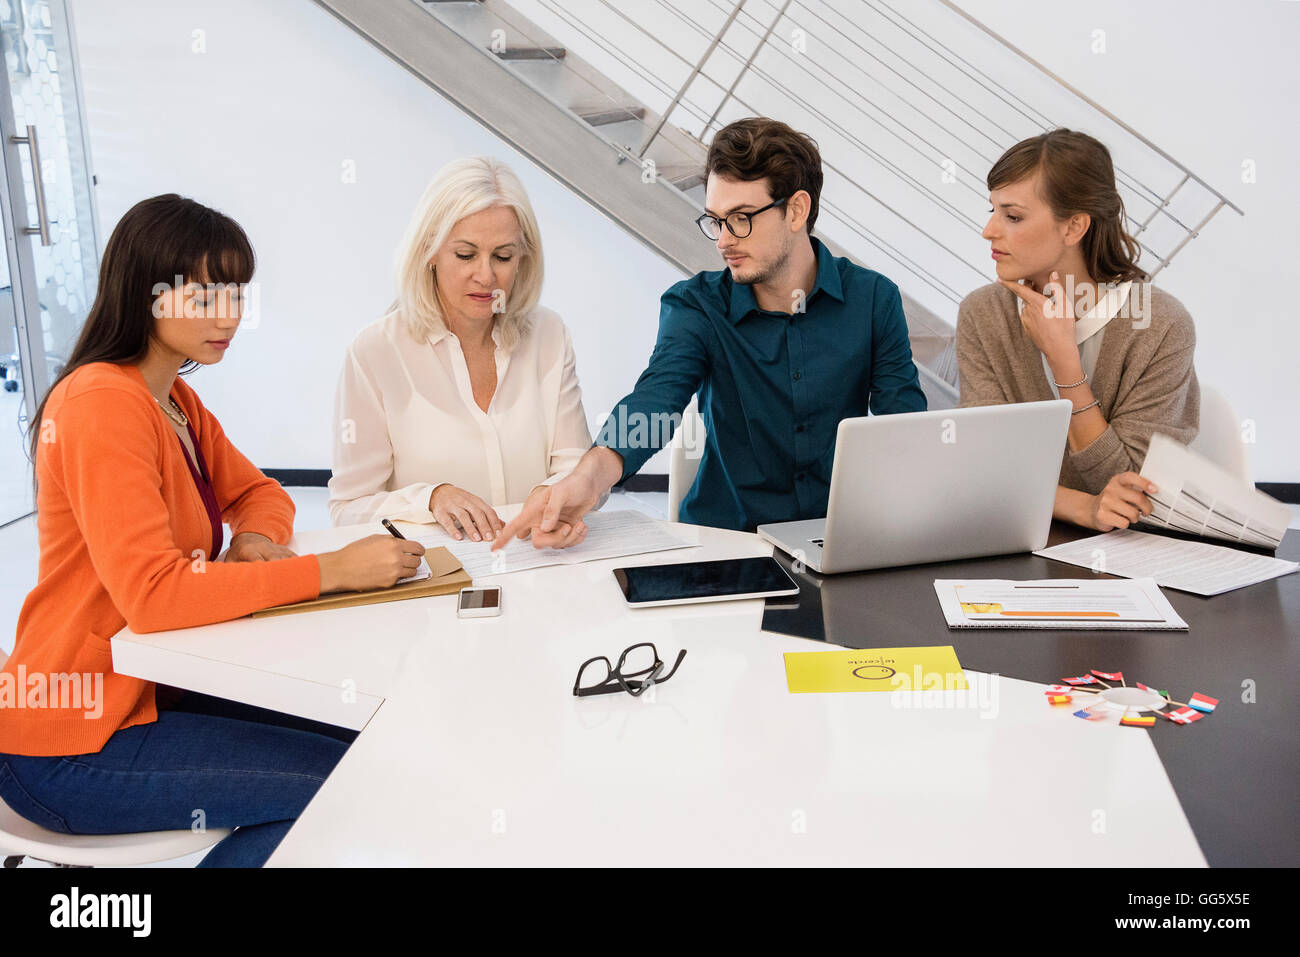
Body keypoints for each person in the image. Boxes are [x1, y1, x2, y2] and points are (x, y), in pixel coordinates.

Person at [0, 195, 424, 868]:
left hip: (154, 692)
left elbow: (260, 492)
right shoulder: (101, 405)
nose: (227, 315)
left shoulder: (173, 399)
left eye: (234, 293)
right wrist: (332, 570)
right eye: (202, 296)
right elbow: (153, 595)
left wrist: (253, 536)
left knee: (368, 743)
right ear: (144, 294)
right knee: (347, 784)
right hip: (74, 741)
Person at [494, 117, 927, 549]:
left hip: (839, 541)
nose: (723, 241)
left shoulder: (873, 300)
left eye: (741, 218)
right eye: (716, 220)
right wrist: (588, 478)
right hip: (725, 544)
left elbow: (903, 431)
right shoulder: (696, 306)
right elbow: (655, 404)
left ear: (796, 210)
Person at [328, 157, 593, 544]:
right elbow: (348, 509)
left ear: (523, 259)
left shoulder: (548, 334)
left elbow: (576, 468)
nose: (486, 276)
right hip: (435, 582)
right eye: (466, 255)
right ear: (430, 252)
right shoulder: (375, 352)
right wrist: (430, 498)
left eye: (503, 256)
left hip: (539, 566)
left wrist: (556, 500)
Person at [957, 129, 1200, 532]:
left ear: (1074, 228)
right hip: (1021, 540)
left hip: (1132, 557)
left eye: (1012, 216)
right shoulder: (983, 313)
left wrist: (1065, 365)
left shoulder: (1160, 325)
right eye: (992, 211)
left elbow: (1130, 496)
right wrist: (1081, 507)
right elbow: (983, 467)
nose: (989, 231)